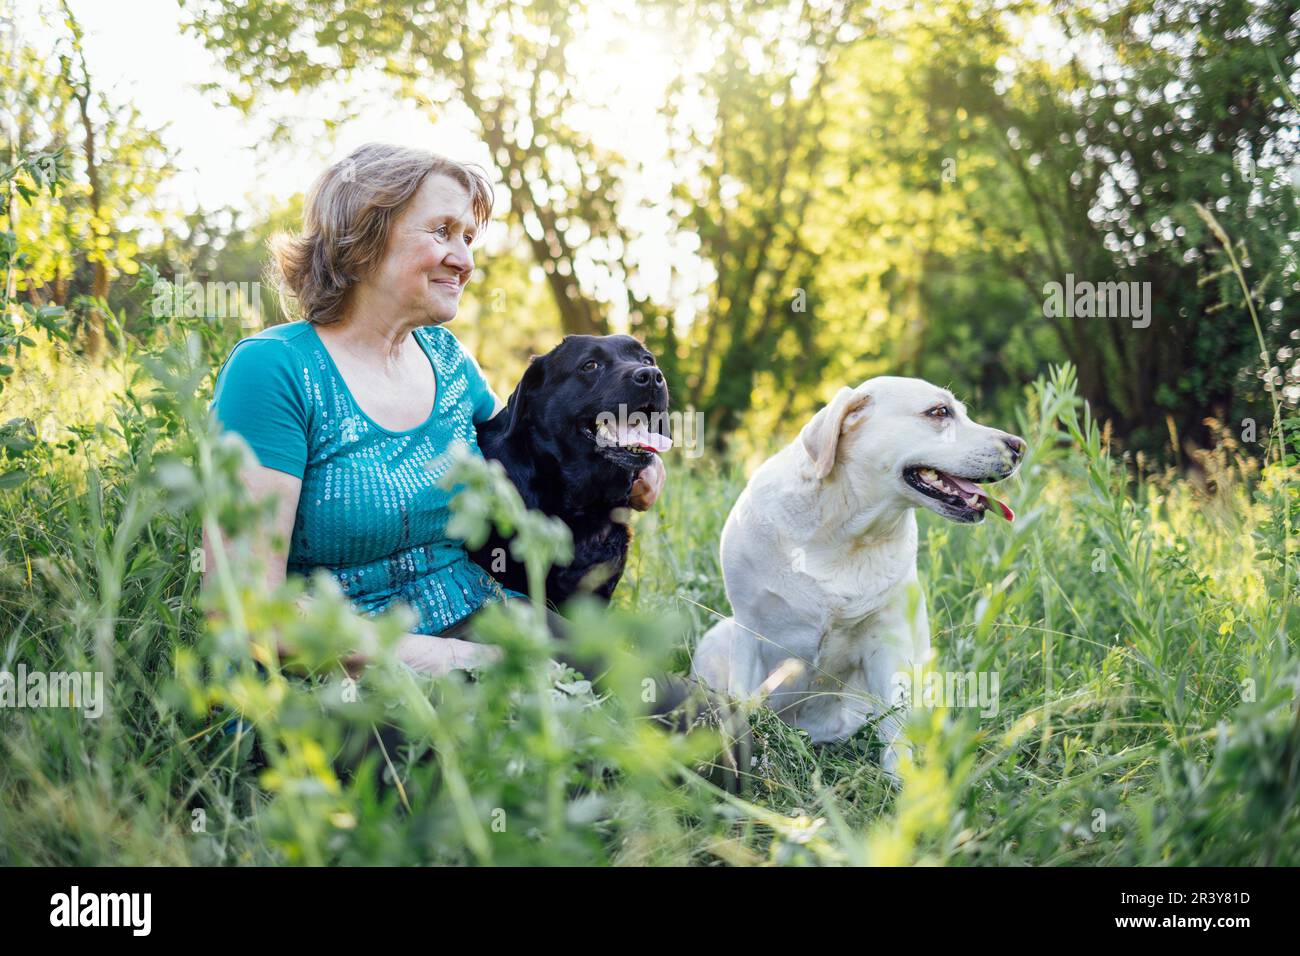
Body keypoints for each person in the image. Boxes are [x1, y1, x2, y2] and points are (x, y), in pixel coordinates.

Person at [203, 142, 666, 678]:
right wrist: (443, 658)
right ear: (363, 236)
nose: (465, 260)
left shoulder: (448, 362)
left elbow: (538, 448)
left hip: (484, 619)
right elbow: (242, 607)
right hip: (341, 672)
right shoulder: (273, 370)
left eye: (468, 238)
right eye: (442, 232)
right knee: (577, 758)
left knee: (703, 726)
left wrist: (636, 457)